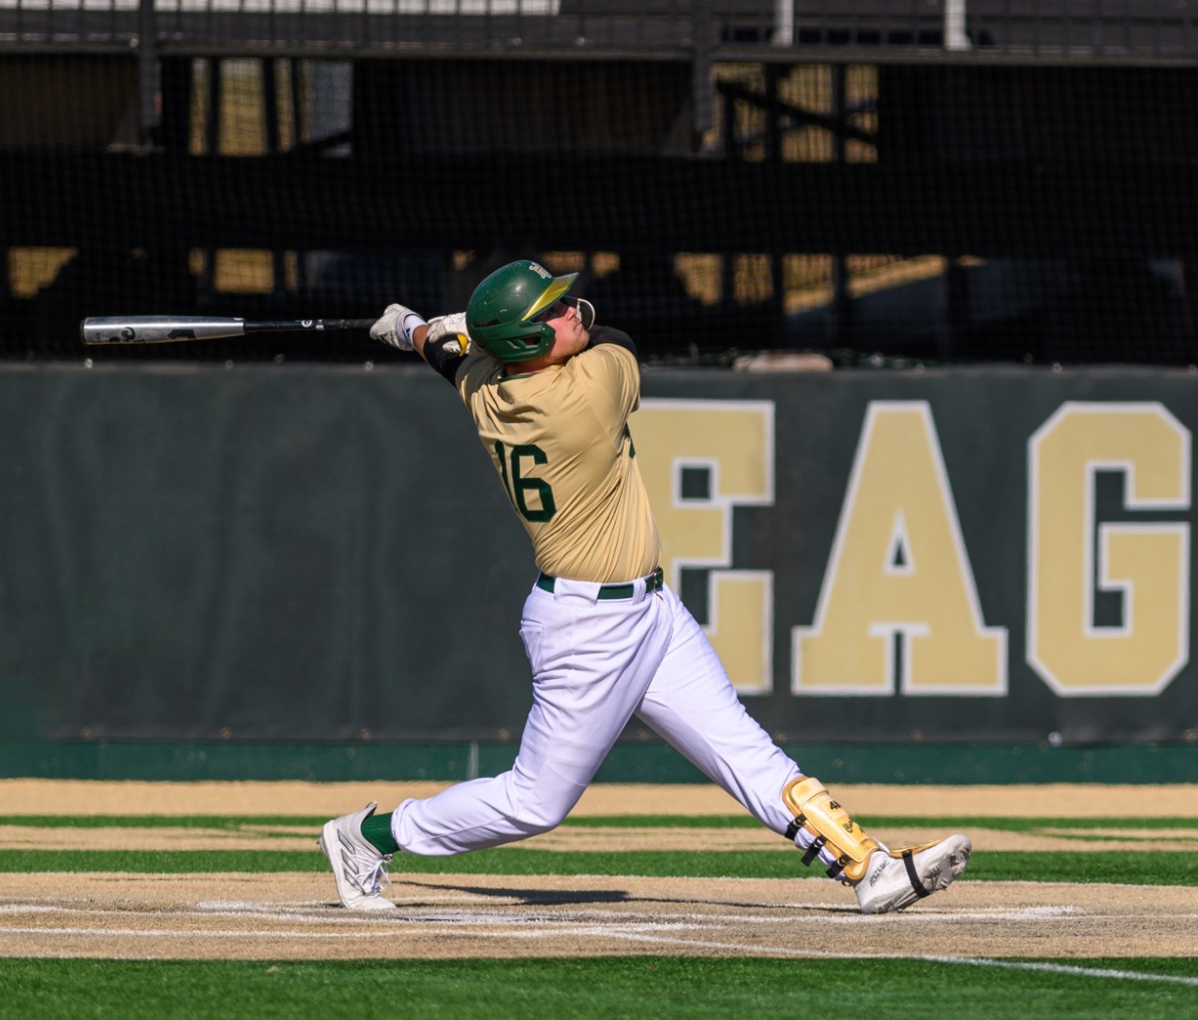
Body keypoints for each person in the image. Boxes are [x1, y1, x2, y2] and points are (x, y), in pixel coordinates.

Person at [318, 259, 970, 915]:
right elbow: (618, 338)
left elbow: (447, 357)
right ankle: (366, 836)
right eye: (551, 310)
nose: (571, 308)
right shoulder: (583, 396)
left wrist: (417, 330)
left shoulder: (485, 385)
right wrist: (432, 330)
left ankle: (868, 867)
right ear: (523, 343)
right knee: (534, 801)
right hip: (587, 627)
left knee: (743, 746)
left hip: (650, 609)